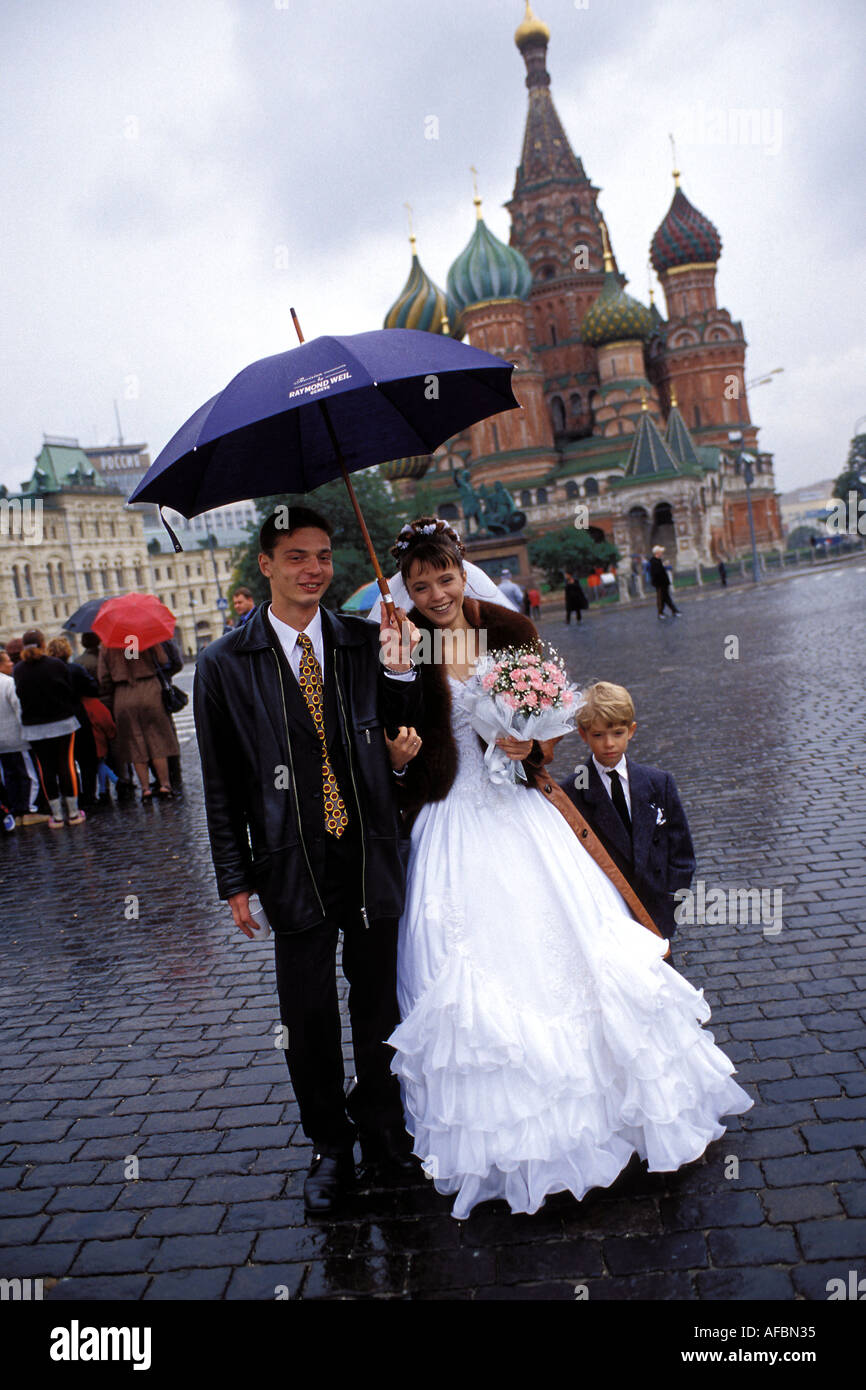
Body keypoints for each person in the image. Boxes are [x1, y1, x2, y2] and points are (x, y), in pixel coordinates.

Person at [384, 518, 751, 1220]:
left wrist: (532, 748)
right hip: (451, 814)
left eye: (445, 577)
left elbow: (550, 720)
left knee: (583, 944)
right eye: (420, 583)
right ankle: (512, 1137)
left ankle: (626, 1107)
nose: (435, 592)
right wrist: (398, 733)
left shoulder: (509, 628)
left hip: (521, 810)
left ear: (464, 571)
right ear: (407, 588)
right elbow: (392, 737)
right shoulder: (401, 645)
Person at [193, 506, 424, 1216]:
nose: (313, 569)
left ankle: (386, 1127)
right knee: (308, 1012)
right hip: (290, 859)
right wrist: (234, 877)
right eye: (295, 556)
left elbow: (403, 729)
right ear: (265, 565)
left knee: (380, 1000)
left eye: (322, 555)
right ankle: (330, 1144)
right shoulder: (224, 663)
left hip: (369, 850)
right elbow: (222, 777)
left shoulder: (362, 641)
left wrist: (404, 669)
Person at [560, 681, 695, 968]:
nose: (609, 743)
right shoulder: (572, 793)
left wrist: (670, 902)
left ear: (631, 731)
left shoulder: (659, 783)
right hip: (609, 919)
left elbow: (681, 851)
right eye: (598, 734)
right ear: (583, 735)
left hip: (655, 914)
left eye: (617, 733)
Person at [13, 629, 85, 827]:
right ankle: (73, 813)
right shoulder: (56, 665)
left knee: (46, 768)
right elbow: (69, 690)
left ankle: (57, 815)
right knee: (66, 764)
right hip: (62, 721)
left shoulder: (18, 670)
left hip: (34, 726)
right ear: (43, 644)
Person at [97, 639, 180, 801]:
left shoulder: (107, 644)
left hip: (124, 694)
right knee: (157, 738)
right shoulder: (144, 636)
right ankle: (164, 785)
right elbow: (163, 660)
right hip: (150, 690)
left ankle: (145, 789)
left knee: (134, 742)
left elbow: (103, 677)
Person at [46, 636, 99, 808]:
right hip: (79, 715)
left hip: (58, 717)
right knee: (87, 759)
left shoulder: (48, 672)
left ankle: (74, 794)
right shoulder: (76, 669)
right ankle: (90, 795)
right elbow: (93, 688)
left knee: (65, 761)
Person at [0, 646, 38, 825]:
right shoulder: (8, 683)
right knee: (27, 775)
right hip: (16, 738)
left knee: (9, 776)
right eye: (8, 661)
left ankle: (15, 809)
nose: (12, 663)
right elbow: (19, 709)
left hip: (1, 742)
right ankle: (28, 809)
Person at [649, 545, 680, 619]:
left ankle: (672, 611)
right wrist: (664, 567)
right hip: (660, 584)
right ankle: (662, 613)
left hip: (663, 583)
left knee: (665, 598)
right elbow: (656, 573)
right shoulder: (654, 562)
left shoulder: (658, 561)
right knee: (661, 599)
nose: (662, 553)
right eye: (661, 552)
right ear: (657, 553)